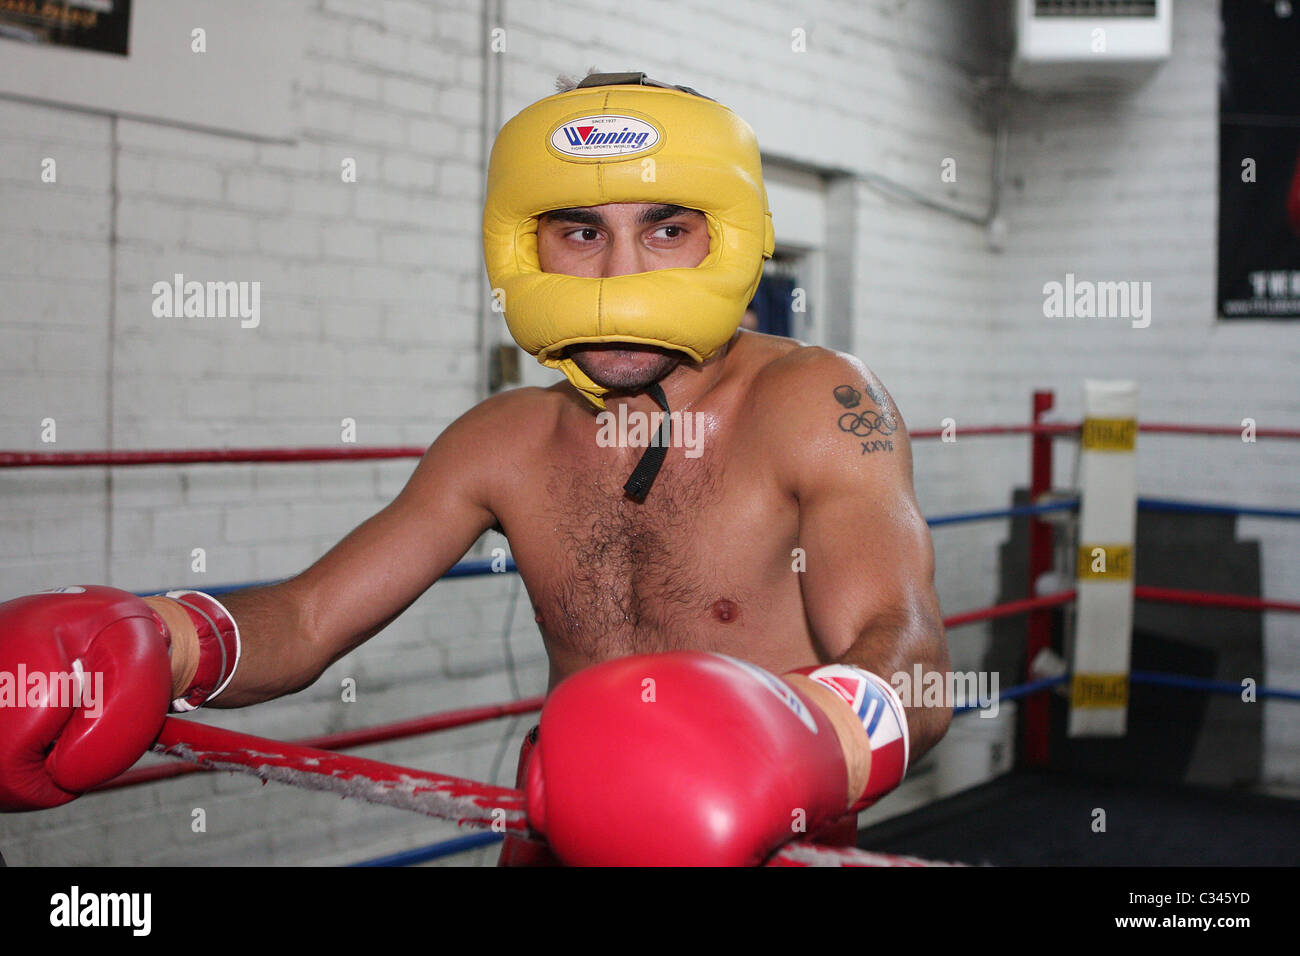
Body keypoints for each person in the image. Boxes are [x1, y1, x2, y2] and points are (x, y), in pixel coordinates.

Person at [0, 73, 950, 866]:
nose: (618, 274)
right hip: (560, 833)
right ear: (523, 242)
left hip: (774, 840)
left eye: (666, 229)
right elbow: (304, 619)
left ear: (729, 237)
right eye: (580, 232)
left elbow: (909, 657)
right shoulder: (502, 441)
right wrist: (157, 639)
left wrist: (789, 738)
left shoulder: (817, 401)